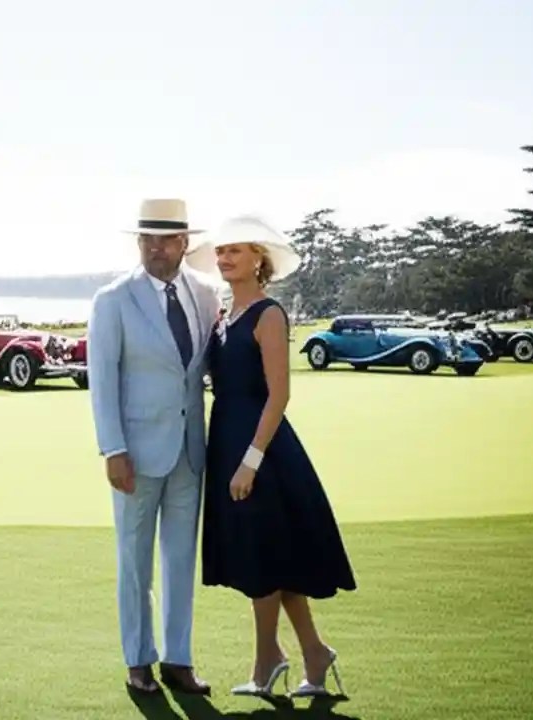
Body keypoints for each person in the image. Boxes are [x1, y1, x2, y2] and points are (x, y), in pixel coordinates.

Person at [188, 215, 356, 699]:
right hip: (228, 442)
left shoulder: (268, 314)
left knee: (262, 558)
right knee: (274, 559)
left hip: (262, 451)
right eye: (221, 252)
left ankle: (267, 663)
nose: (224, 258)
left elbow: (278, 395)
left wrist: (252, 460)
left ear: (258, 259)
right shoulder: (225, 316)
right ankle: (313, 653)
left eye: (235, 251)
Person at [87, 199, 223, 695]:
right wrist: (112, 449)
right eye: (147, 239)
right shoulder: (113, 300)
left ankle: (178, 659)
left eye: (166, 239)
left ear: (185, 243)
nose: (155, 248)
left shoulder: (206, 296)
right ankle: (138, 659)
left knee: (181, 558)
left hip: (191, 452)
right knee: (134, 560)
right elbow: (101, 380)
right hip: (135, 456)